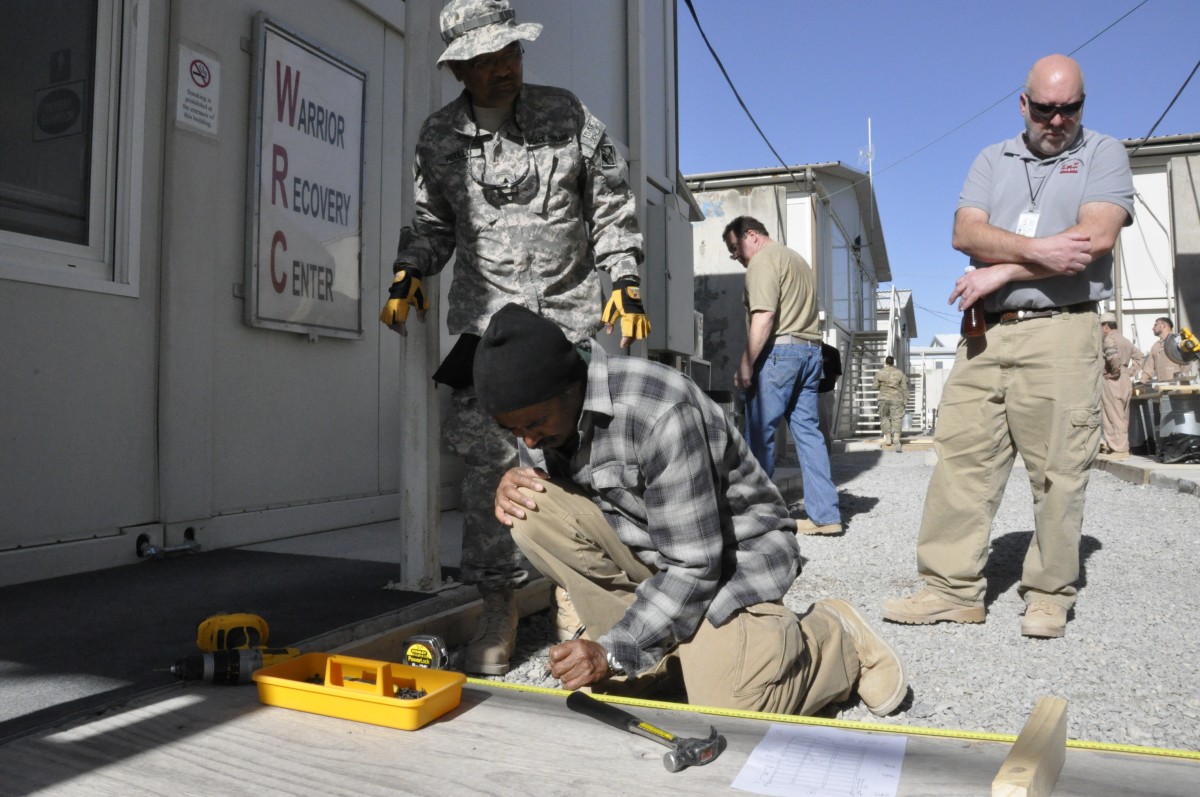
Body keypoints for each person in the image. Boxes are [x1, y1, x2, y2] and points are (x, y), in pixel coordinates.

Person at [378, 0, 651, 675]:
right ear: (459, 68)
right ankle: (496, 606)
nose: (503, 69)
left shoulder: (566, 114)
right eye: (486, 60)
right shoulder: (438, 137)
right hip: (488, 326)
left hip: (567, 320)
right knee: (489, 471)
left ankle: (578, 598)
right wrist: (410, 269)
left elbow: (610, 201)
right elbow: (432, 220)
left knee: (583, 460)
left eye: (511, 54)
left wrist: (624, 275)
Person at [476, 303, 907, 716]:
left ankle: (833, 639)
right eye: (513, 430)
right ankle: (660, 659)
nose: (527, 442)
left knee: (729, 708)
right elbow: (564, 505)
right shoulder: (539, 416)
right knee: (528, 507)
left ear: (574, 386)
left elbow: (696, 566)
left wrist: (611, 651)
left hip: (728, 561)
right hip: (657, 559)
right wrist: (512, 482)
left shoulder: (658, 411)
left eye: (534, 426)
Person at [882, 54, 1134, 639]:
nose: (1057, 120)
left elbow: (1093, 238)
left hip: (1062, 328)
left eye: (1069, 108)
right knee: (961, 460)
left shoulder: (1102, 153)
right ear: (1024, 104)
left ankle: (1048, 593)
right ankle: (950, 589)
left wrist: (1000, 272)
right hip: (986, 335)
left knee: (1057, 470)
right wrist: (1042, 252)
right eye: (1045, 108)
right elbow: (963, 232)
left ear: (1082, 106)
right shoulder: (992, 159)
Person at [724, 216, 842, 535]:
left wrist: (747, 362)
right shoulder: (797, 260)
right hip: (811, 352)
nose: (736, 256)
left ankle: (760, 515)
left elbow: (765, 315)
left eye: (735, 248)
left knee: (760, 431)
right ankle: (826, 516)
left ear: (752, 235)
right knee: (808, 434)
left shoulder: (763, 261)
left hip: (781, 353)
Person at [1098, 313, 1143, 460]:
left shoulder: (1109, 339)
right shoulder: (1124, 339)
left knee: (1113, 414)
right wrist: (1130, 371)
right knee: (1122, 414)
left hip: (1113, 379)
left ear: (1106, 326)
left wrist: (1115, 371)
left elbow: (1113, 358)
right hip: (1125, 380)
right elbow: (1139, 356)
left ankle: (1119, 449)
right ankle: (1119, 447)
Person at [1137, 317, 1190, 383]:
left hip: (1178, 388)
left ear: (1163, 326)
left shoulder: (1178, 342)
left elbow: (1186, 365)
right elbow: (1149, 368)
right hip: (1163, 388)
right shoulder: (1155, 346)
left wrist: (1183, 383)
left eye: (1155, 325)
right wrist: (1142, 381)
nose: (1153, 328)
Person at [874, 356, 908, 453]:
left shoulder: (879, 372)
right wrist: (906, 399)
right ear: (893, 362)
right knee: (897, 418)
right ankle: (896, 437)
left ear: (885, 362)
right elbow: (905, 388)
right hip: (897, 398)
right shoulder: (899, 373)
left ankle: (888, 438)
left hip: (883, 398)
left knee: (884, 417)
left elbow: (875, 386)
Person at [817, 342, 843, 453]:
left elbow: (837, 372)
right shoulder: (807, 348)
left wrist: (829, 385)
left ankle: (826, 453)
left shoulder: (831, 351)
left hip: (824, 392)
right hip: (810, 392)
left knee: (825, 423)